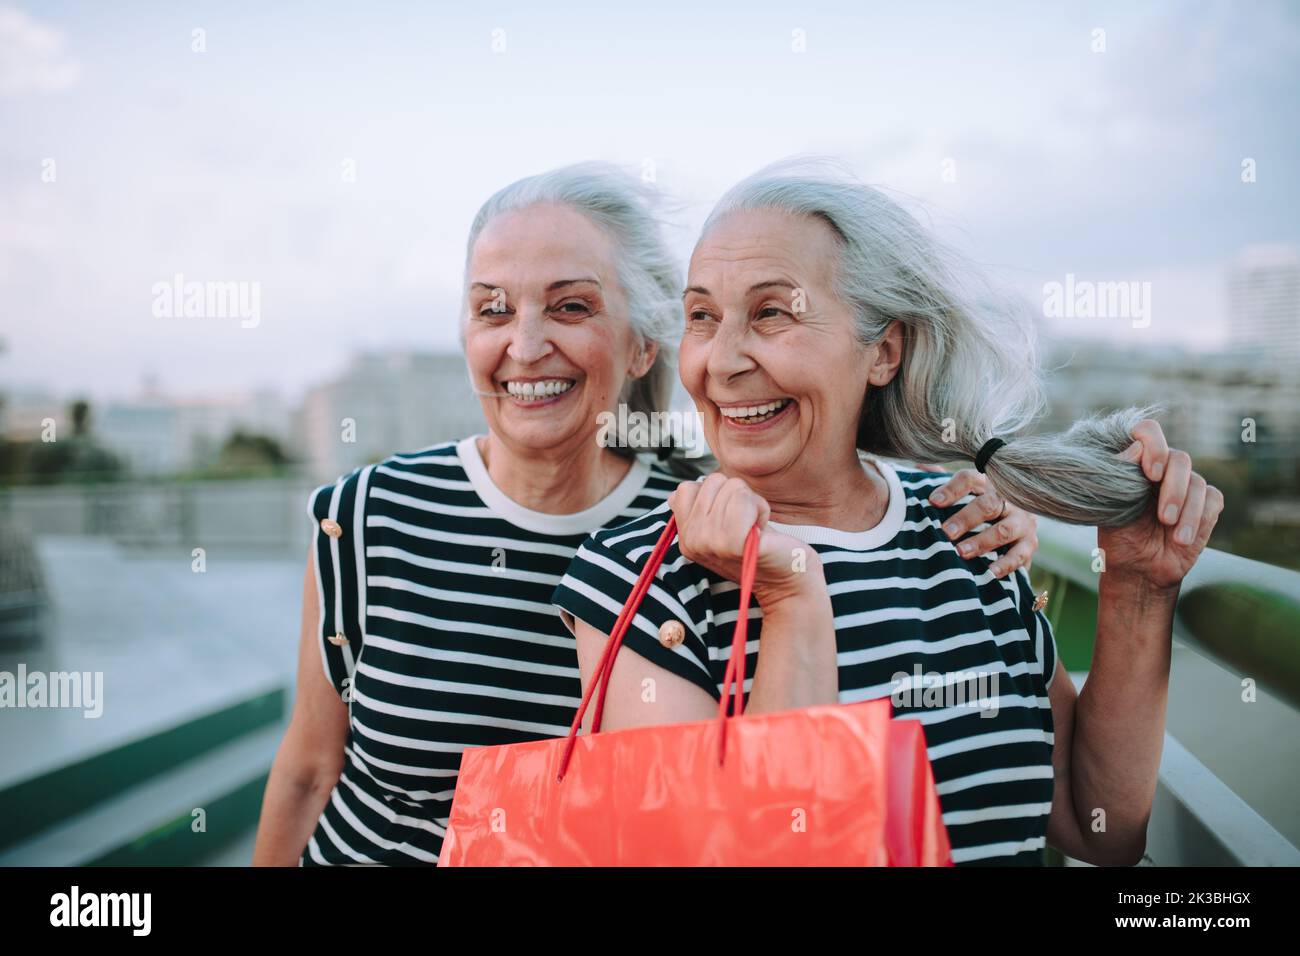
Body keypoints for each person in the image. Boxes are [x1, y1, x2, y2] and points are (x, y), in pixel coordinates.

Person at [252, 163, 1036, 866]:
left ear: (641, 346)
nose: (525, 346)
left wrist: (989, 515)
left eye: (569, 307)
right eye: (492, 309)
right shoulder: (365, 515)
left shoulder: (707, 520)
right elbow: (310, 769)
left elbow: (837, 502)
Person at [554, 162, 1223, 866]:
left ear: (883, 351)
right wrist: (790, 598)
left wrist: (1139, 590)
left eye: (772, 312)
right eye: (702, 317)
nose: (721, 361)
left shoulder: (967, 530)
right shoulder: (639, 577)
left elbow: (1100, 828)